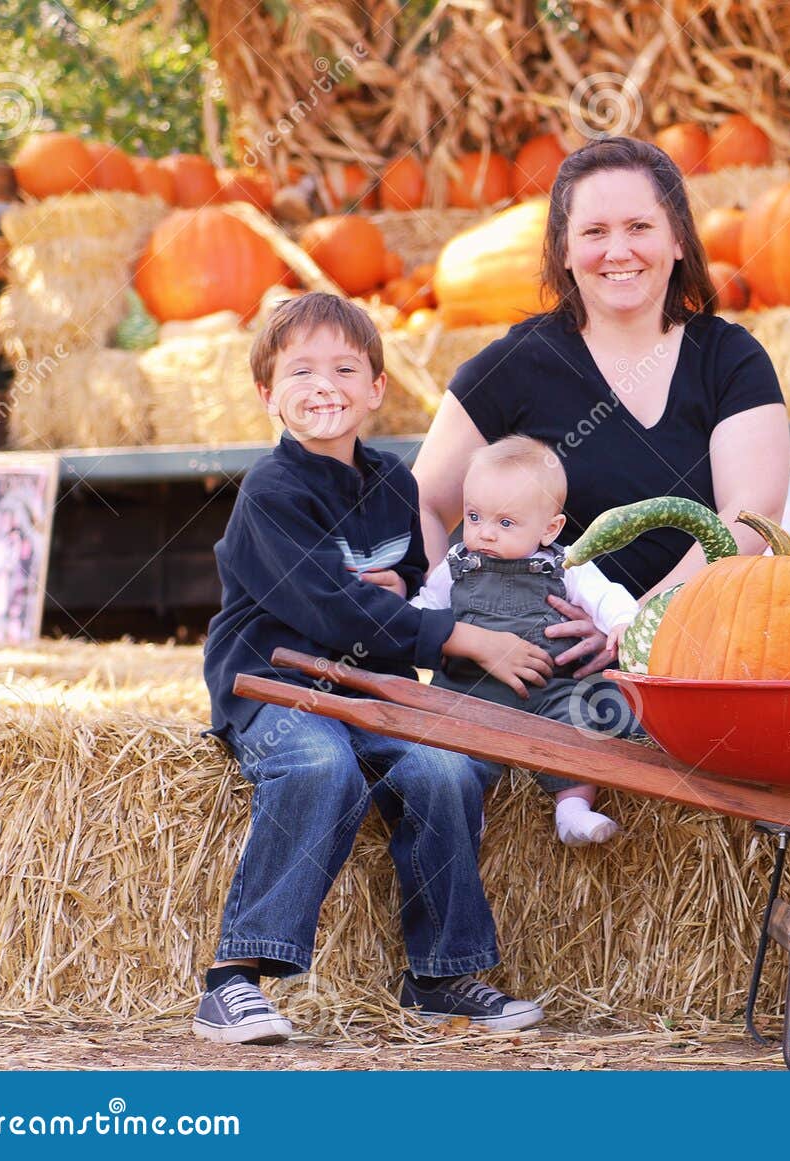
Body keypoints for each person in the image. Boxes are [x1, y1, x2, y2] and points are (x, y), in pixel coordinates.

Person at [411, 135, 790, 1020]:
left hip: (694, 651)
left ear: (677, 241)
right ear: (562, 249)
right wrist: (461, 621)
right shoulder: (516, 364)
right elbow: (427, 501)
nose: (617, 249)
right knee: (435, 768)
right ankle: (445, 972)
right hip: (537, 669)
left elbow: (749, 521)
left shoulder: (728, 358)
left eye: (639, 225)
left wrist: (636, 624)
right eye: (593, 231)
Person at [196, 292, 550, 1045]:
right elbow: (334, 613)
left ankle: (440, 973)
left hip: (371, 689)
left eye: (345, 367)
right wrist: (459, 637)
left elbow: (406, 586)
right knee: (324, 768)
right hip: (276, 690)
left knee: (443, 770)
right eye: (300, 371)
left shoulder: (395, 485)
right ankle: (235, 978)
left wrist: (384, 607)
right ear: (268, 395)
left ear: (377, 389)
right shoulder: (272, 493)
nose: (324, 384)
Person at [412, 434, 639, 846]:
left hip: (546, 693)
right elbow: (424, 609)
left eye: (505, 523)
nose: (485, 534)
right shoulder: (457, 564)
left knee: (581, 730)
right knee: (444, 749)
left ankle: (572, 810)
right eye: (474, 516)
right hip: (468, 693)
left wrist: (622, 622)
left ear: (549, 529)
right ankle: (466, 818)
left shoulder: (565, 566)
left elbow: (606, 595)